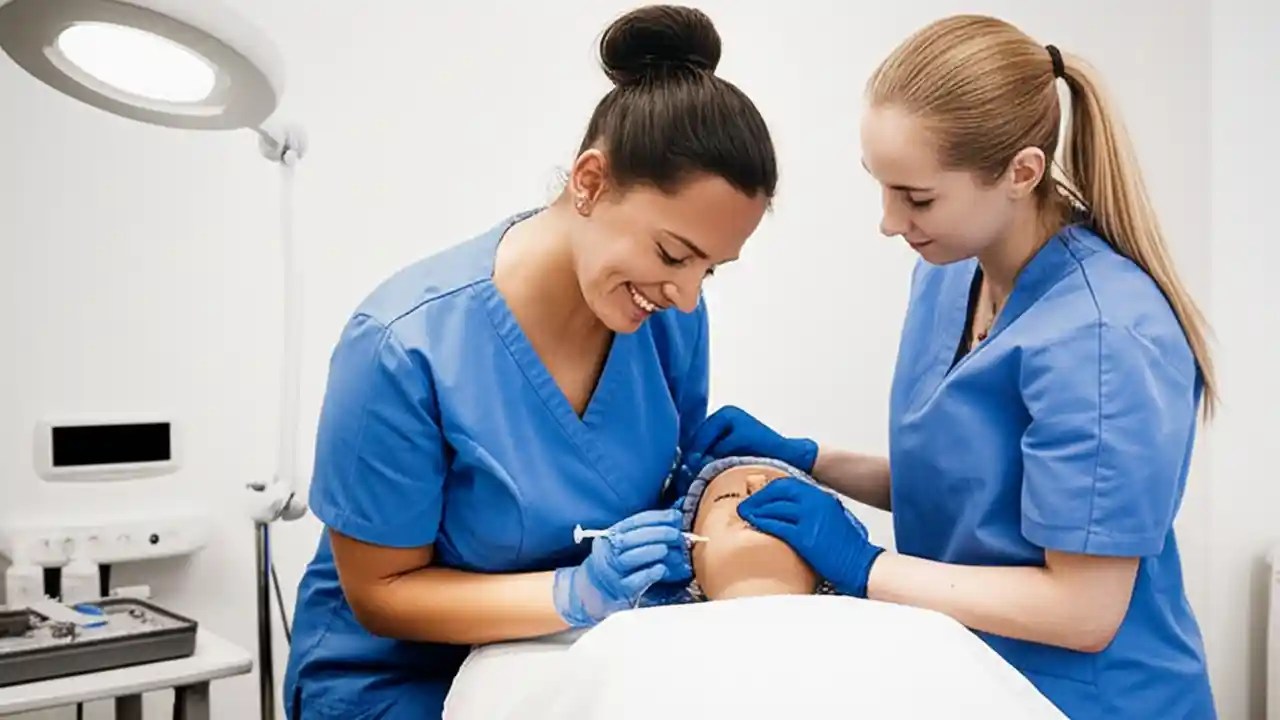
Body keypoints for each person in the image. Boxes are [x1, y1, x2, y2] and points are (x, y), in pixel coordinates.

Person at [681, 14, 1217, 720]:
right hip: (966, 677)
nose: (888, 220)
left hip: (1092, 700)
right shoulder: (949, 272)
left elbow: (1086, 610)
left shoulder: (1103, 337)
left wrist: (865, 566)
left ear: (1022, 173)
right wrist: (813, 458)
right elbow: (980, 496)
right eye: (882, 185)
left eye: (917, 197)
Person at [282, 5, 778, 718]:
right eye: (673, 253)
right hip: (394, 677)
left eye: (712, 269)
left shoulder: (667, 320)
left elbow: (670, 481)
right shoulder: (402, 344)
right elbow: (380, 592)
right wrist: (572, 594)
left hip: (557, 658)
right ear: (589, 182)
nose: (687, 294)